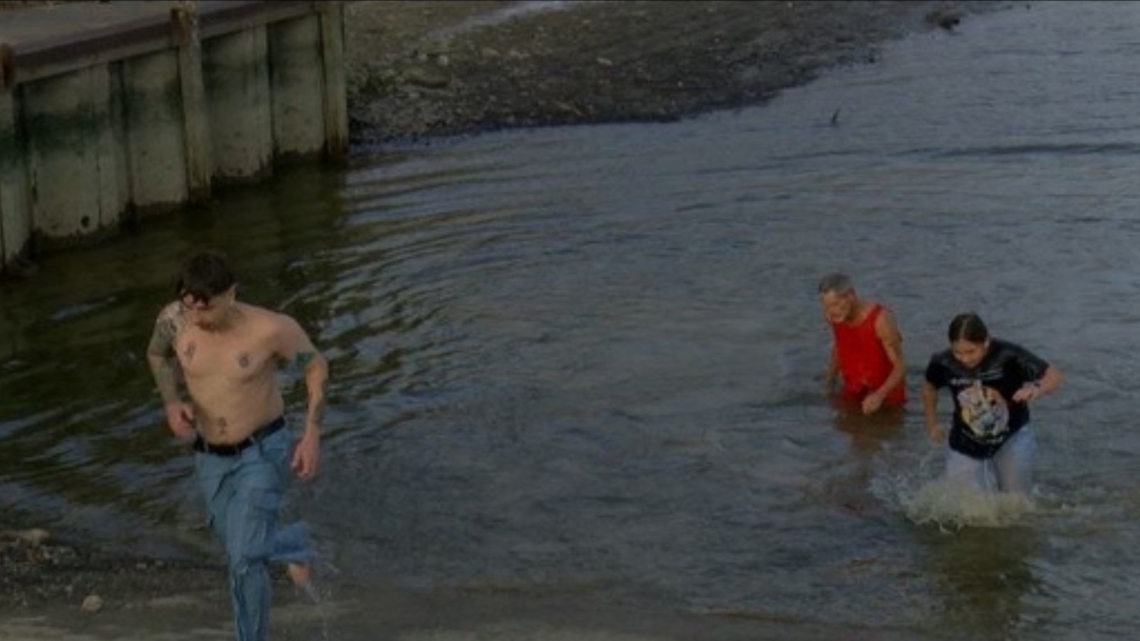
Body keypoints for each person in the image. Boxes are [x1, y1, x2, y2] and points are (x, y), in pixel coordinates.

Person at [146, 249, 328, 641]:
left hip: (262, 450)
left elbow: (315, 366)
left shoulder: (269, 329)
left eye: (206, 308)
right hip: (209, 456)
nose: (197, 316)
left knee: (244, 560)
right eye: (189, 306)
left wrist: (311, 433)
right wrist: (172, 402)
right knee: (237, 547)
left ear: (230, 294)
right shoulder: (175, 320)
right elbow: (156, 354)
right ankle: (291, 542)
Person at [922, 313, 1061, 496]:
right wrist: (932, 424)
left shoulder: (1008, 356)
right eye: (958, 352)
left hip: (1012, 435)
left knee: (1017, 500)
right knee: (964, 503)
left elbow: (1054, 376)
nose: (964, 359)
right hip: (965, 440)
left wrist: (1036, 389)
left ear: (986, 342)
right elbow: (929, 389)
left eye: (971, 351)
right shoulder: (942, 362)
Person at [818, 273, 907, 415]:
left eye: (835, 304)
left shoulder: (881, 320)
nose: (831, 311)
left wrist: (879, 395)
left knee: (882, 433)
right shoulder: (835, 317)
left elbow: (900, 367)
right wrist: (830, 380)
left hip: (887, 396)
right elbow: (839, 346)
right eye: (826, 306)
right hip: (854, 388)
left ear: (851, 295)